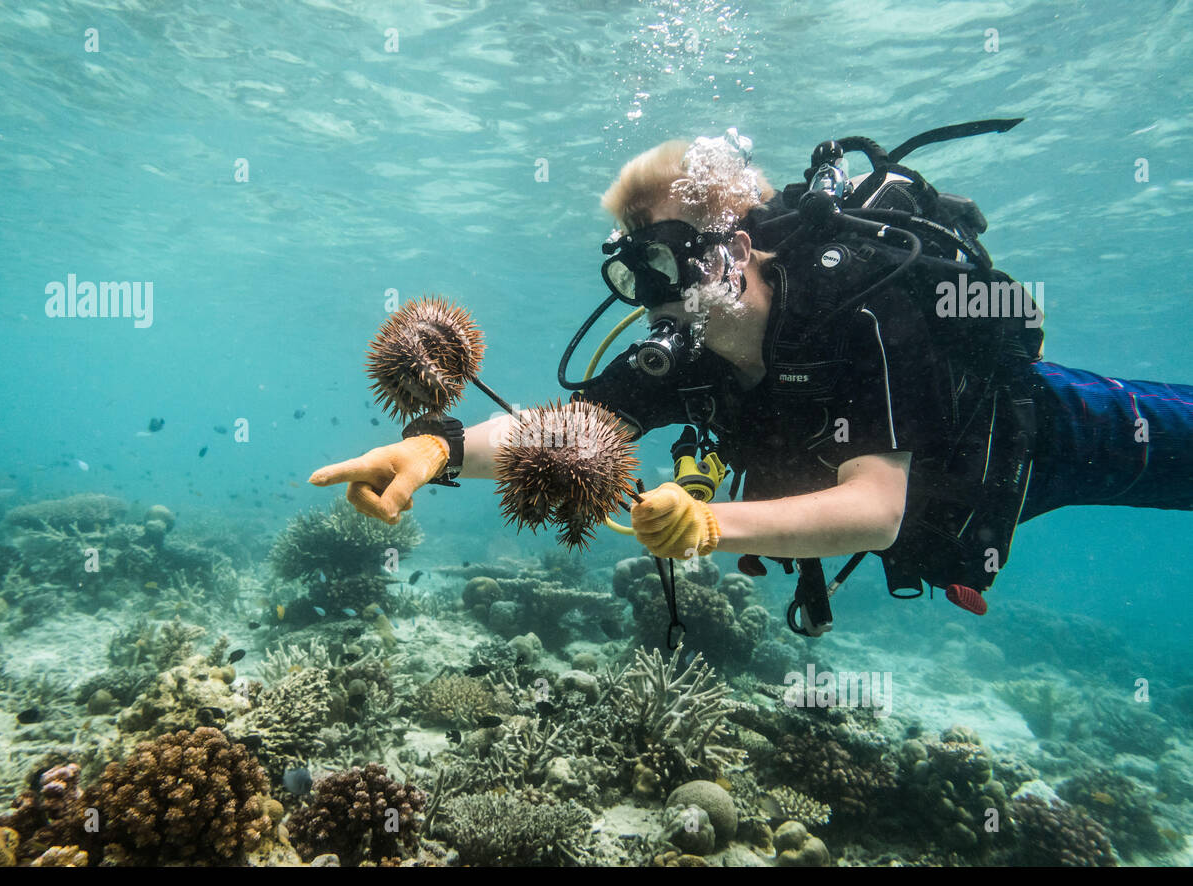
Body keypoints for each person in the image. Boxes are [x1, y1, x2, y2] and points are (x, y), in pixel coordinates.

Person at [309, 128, 1193, 632]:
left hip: (1065, 431)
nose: (656, 296)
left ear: (734, 246)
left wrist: (709, 524)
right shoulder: (689, 349)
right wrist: (437, 448)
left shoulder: (859, 308)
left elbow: (875, 508)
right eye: (633, 273)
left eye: (665, 261)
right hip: (962, 507)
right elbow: (574, 428)